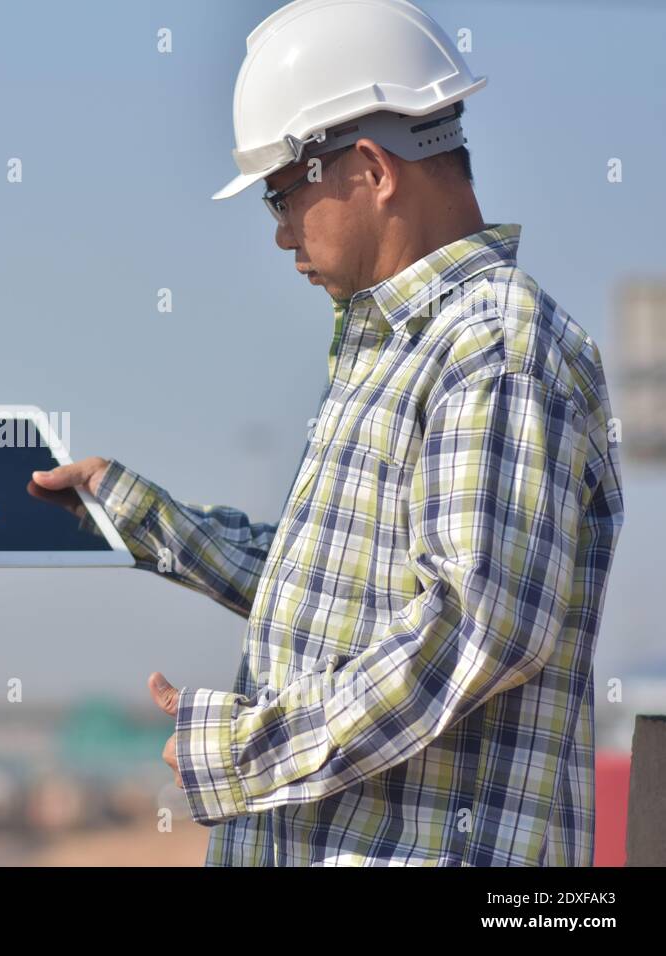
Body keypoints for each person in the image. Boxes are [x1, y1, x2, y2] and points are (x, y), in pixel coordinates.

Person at [34, 0, 625, 865]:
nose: (279, 234)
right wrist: (130, 514)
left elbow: (473, 631)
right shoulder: (402, 345)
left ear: (374, 170)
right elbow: (341, 596)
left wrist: (240, 753)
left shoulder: (494, 346)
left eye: (283, 194)